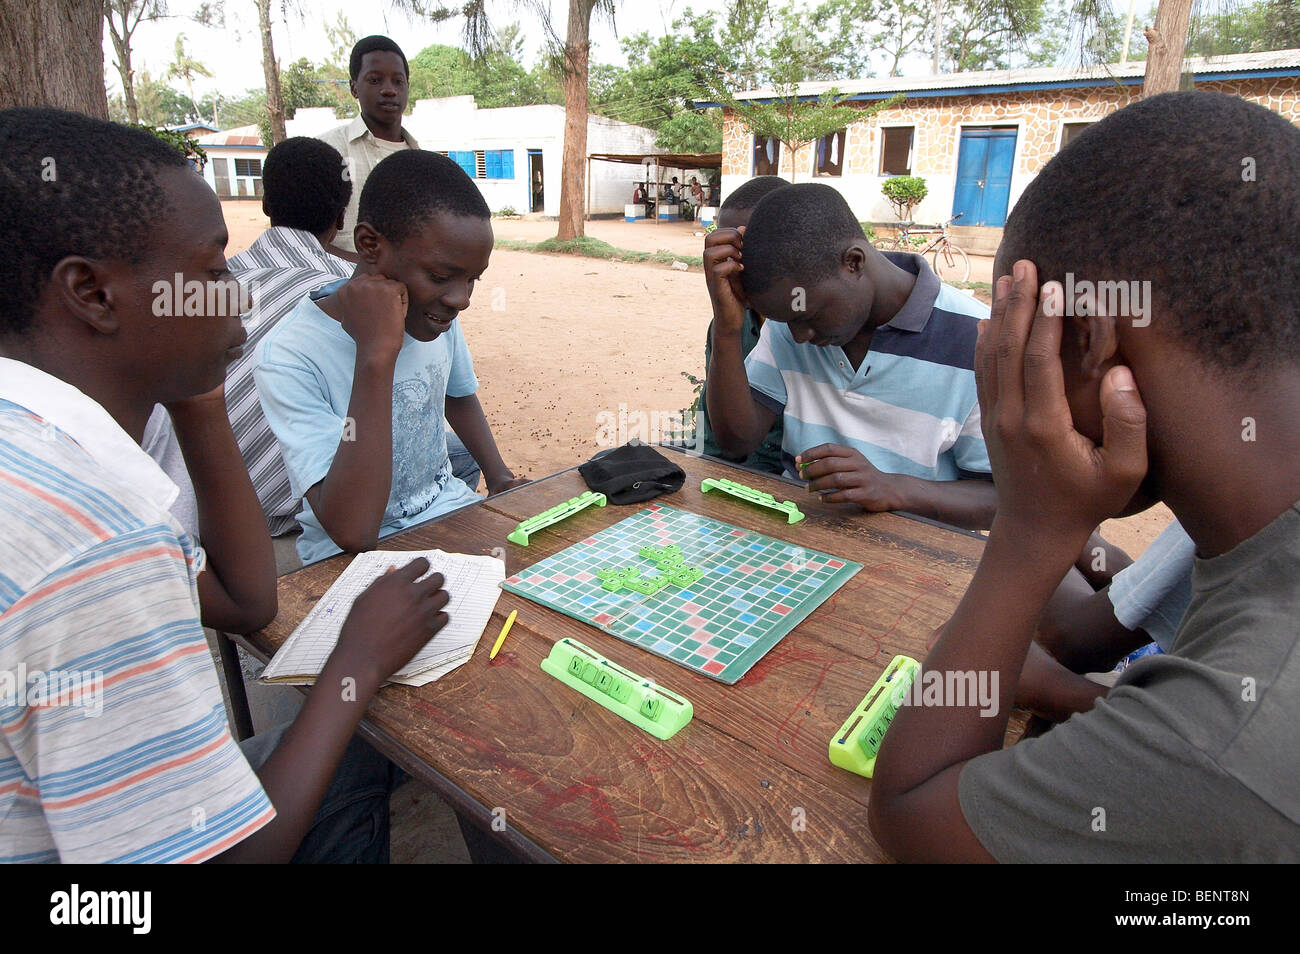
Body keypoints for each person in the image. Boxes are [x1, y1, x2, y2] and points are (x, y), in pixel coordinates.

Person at [0, 108, 451, 863]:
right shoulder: (99, 544)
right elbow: (237, 857)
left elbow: (245, 602)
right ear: (91, 292)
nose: (238, 297)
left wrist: (197, 390)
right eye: (213, 274)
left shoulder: (40, 452)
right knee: (363, 741)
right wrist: (359, 661)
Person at [868, 91, 1300, 862]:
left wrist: (1029, 525)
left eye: (1016, 339)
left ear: (1092, 340)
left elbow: (912, 807)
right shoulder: (1256, 510)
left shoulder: (1232, 735)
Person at [255, 149, 528, 564]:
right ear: (369, 245)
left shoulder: (433, 315)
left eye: (472, 279)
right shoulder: (290, 356)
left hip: (446, 513)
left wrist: (498, 476)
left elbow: (458, 394)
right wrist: (376, 355)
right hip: (348, 557)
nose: (461, 299)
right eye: (440, 276)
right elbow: (353, 530)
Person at [704, 183, 997, 530]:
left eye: (807, 318)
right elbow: (736, 441)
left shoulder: (975, 337)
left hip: (917, 557)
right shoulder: (792, 316)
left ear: (854, 263)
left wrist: (893, 488)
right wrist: (727, 327)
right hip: (801, 538)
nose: (800, 337)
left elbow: (1000, 501)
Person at [223, 137, 354, 561]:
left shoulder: (213, 287)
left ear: (265, 204)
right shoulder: (354, 291)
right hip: (306, 527)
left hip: (216, 521)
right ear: (342, 215)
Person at [695, 175, 788, 474]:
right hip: (734, 476)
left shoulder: (809, 326)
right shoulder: (727, 324)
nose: (734, 267)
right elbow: (712, 439)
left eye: (746, 251)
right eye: (725, 252)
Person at [317, 35, 416, 262]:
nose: (389, 90)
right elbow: (308, 241)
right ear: (354, 88)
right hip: (341, 286)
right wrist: (372, 270)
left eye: (398, 81)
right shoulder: (327, 152)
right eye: (375, 80)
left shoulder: (421, 160)